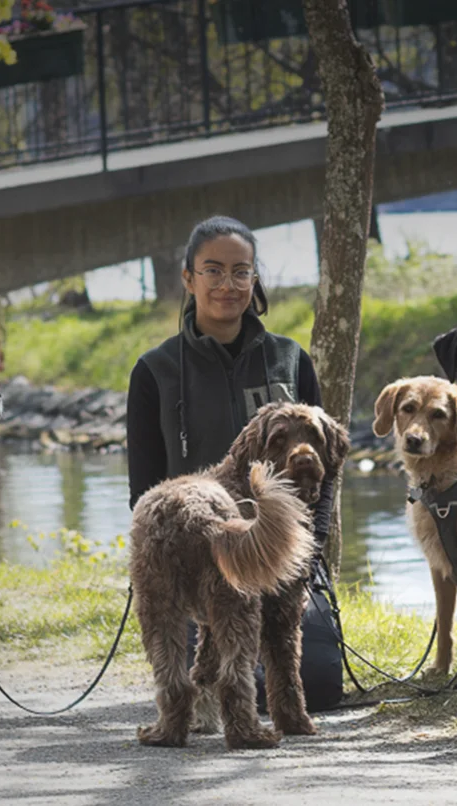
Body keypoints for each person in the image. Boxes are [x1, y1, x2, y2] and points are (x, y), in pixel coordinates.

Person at [125, 215, 344, 711]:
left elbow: (326, 469)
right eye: (214, 271)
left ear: (255, 279)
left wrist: (311, 550)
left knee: (321, 686)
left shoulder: (291, 361)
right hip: (196, 564)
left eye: (241, 272)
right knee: (230, 674)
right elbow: (143, 491)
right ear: (188, 278)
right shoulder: (154, 371)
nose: (229, 284)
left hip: (279, 556)